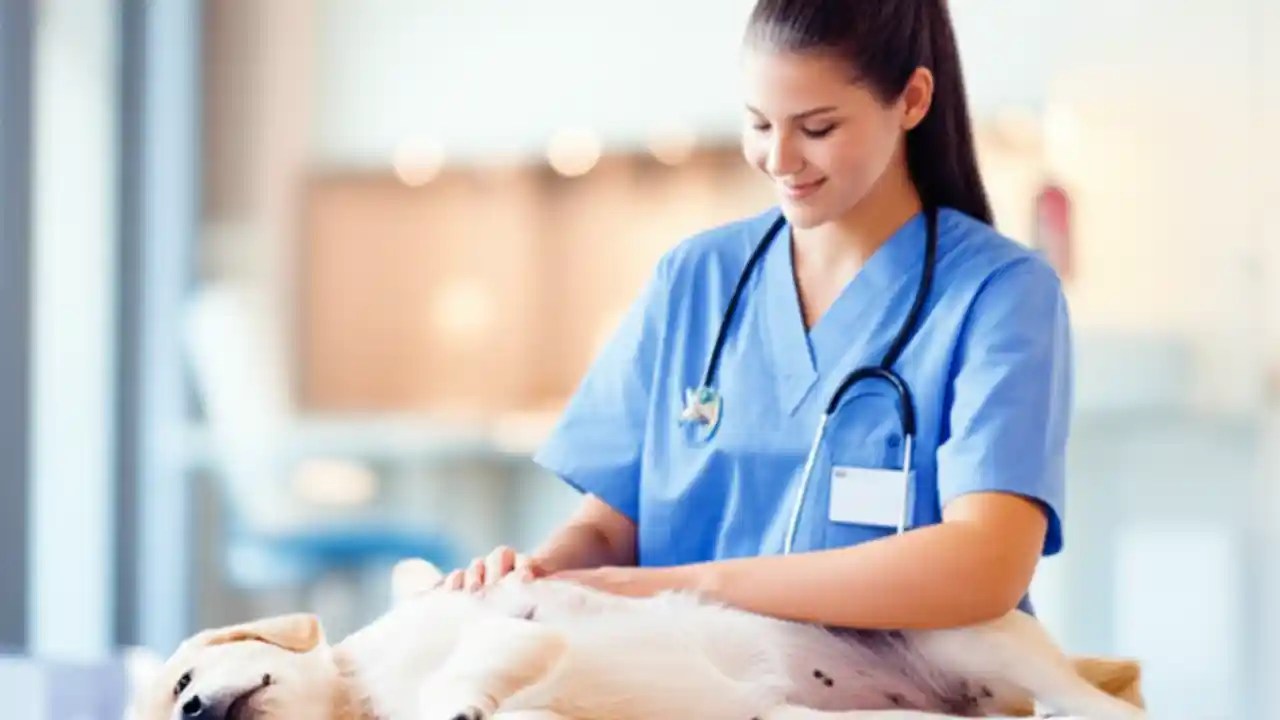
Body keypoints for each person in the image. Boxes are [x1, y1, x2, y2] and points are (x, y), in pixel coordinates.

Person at [445, 0, 1072, 632]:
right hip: (693, 688)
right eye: (759, 125)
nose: (779, 159)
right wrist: (537, 581)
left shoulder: (998, 293)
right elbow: (610, 533)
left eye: (817, 128)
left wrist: (697, 586)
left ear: (911, 99)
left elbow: (985, 562)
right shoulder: (695, 279)